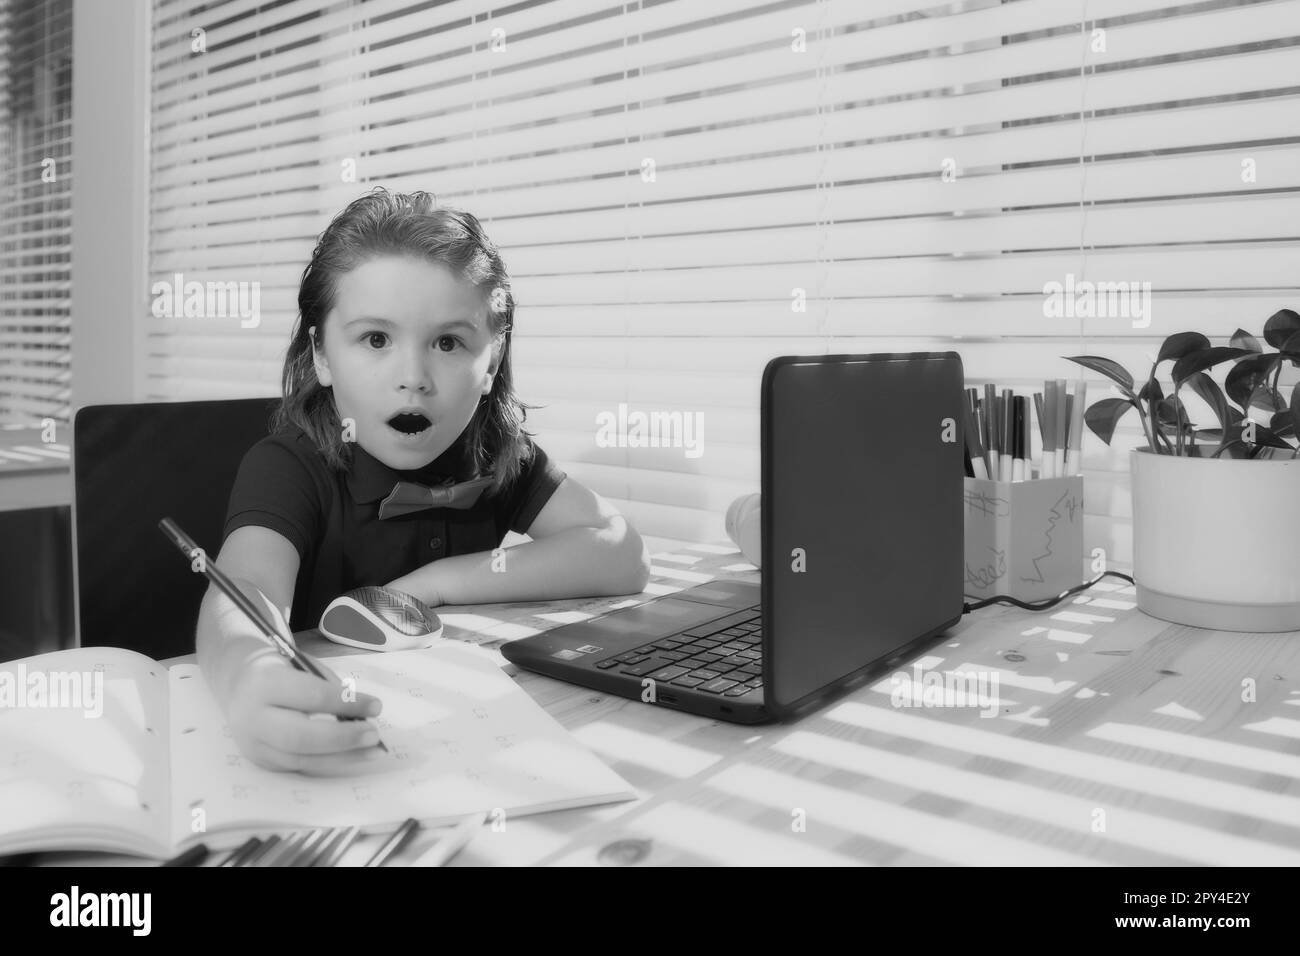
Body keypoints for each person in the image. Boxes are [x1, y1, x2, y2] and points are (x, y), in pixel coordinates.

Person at [196, 188, 651, 772]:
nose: (413, 377)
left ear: (492, 359)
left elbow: (623, 553)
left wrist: (434, 582)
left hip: (457, 740)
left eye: (448, 342)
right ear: (322, 355)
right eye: (376, 339)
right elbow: (246, 591)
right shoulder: (289, 463)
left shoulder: (494, 453)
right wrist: (247, 674)